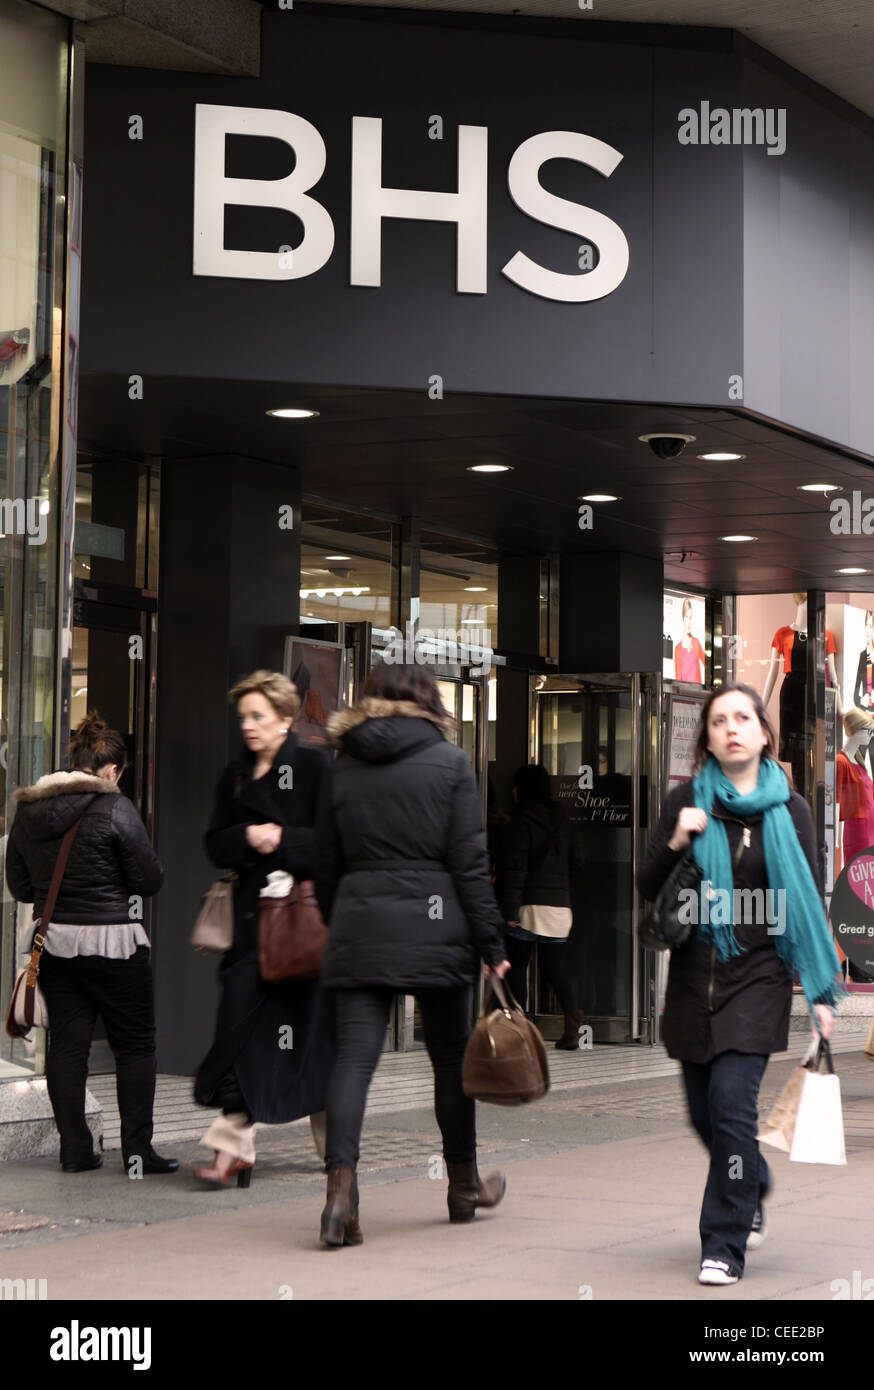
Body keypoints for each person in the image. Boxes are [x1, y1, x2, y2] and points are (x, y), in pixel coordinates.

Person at [637, 683, 841, 1286]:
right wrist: (678, 841)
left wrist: (820, 990)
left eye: (742, 719)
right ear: (707, 736)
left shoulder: (791, 810)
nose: (731, 728)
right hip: (694, 976)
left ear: (761, 734)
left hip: (758, 978)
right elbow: (648, 885)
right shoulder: (685, 801)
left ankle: (723, 1244)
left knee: (731, 1107)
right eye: (719, 720)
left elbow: (804, 902)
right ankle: (751, 1177)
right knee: (705, 1118)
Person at [313, 659, 511, 1247]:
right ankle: (462, 1184)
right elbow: (470, 864)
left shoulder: (342, 766)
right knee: (451, 1060)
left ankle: (340, 1197)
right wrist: (492, 942)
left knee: (352, 1060)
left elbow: (323, 862)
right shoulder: (450, 762)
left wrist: (341, 917)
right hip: (437, 925)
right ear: (431, 702)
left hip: (360, 924)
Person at [5, 713, 174, 1174]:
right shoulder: (116, 808)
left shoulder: (28, 809)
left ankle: (75, 1150)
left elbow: (20, 888)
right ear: (112, 770)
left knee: (67, 1047)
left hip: (54, 943)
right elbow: (149, 879)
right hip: (115, 943)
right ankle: (138, 1152)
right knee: (136, 1046)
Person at [193, 671, 333, 1187]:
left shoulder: (317, 768)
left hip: (307, 929)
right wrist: (248, 836)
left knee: (316, 1041)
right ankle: (233, 1148)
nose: (248, 726)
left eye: (258, 716)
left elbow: (340, 840)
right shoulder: (236, 775)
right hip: (254, 932)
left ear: (286, 718)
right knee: (238, 1032)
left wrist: (286, 839)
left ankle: (336, 1152)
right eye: (243, 717)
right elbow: (213, 843)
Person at [500, 764, 585, 1048]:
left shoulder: (520, 819)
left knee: (517, 967)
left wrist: (509, 911)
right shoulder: (563, 818)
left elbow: (515, 869)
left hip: (527, 906)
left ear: (522, 788)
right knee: (556, 969)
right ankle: (573, 1027)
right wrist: (561, 887)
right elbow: (577, 861)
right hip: (559, 906)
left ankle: (519, 1029)